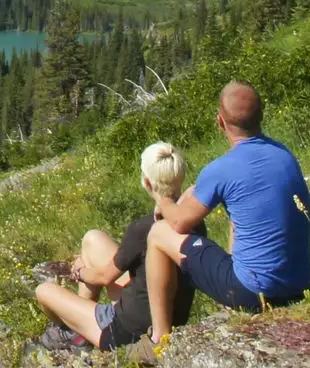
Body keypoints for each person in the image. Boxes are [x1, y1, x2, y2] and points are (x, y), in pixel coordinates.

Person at [142, 81, 310, 352]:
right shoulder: (284, 155)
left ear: (220, 122)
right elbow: (237, 186)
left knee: (158, 235)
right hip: (299, 286)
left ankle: (158, 341)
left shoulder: (221, 169)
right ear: (261, 116)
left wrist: (163, 199)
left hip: (253, 292)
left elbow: (179, 222)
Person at [33, 142, 196, 352]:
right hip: (167, 316)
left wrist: (79, 272)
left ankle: (77, 331)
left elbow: (103, 278)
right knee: (93, 239)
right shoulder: (193, 222)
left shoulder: (143, 230)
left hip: (126, 329)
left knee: (43, 291)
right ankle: (80, 330)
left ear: (147, 182)